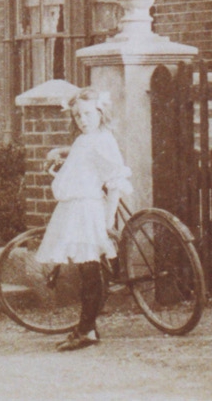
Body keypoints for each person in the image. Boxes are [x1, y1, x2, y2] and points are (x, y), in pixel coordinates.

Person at [35, 86, 133, 352]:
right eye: (78, 115)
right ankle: (87, 326)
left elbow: (115, 180)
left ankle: (87, 330)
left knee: (89, 272)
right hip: (75, 208)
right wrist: (63, 151)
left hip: (87, 210)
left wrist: (107, 222)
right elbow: (85, 152)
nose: (83, 120)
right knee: (85, 270)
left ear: (101, 113)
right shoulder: (86, 139)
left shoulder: (103, 140)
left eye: (88, 114)